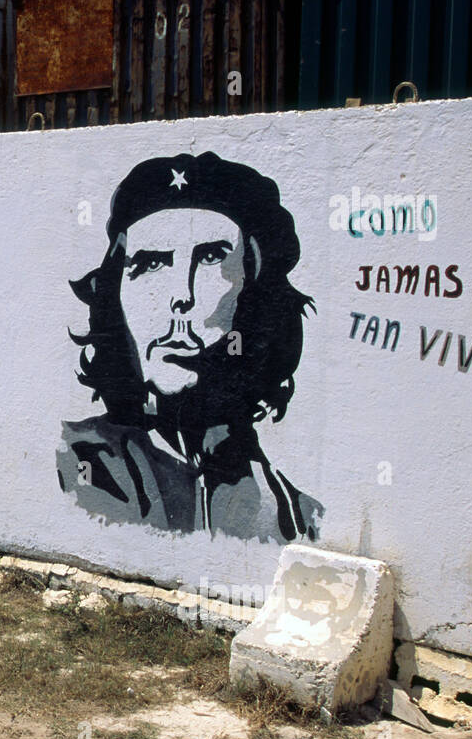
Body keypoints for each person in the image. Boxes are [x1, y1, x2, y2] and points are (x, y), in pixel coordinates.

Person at [57, 151, 323, 542]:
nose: (181, 296)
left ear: (256, 290)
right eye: (150, 263)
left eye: (212, 257)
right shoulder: (80, 464)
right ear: (115, 294)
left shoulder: (298, 517)